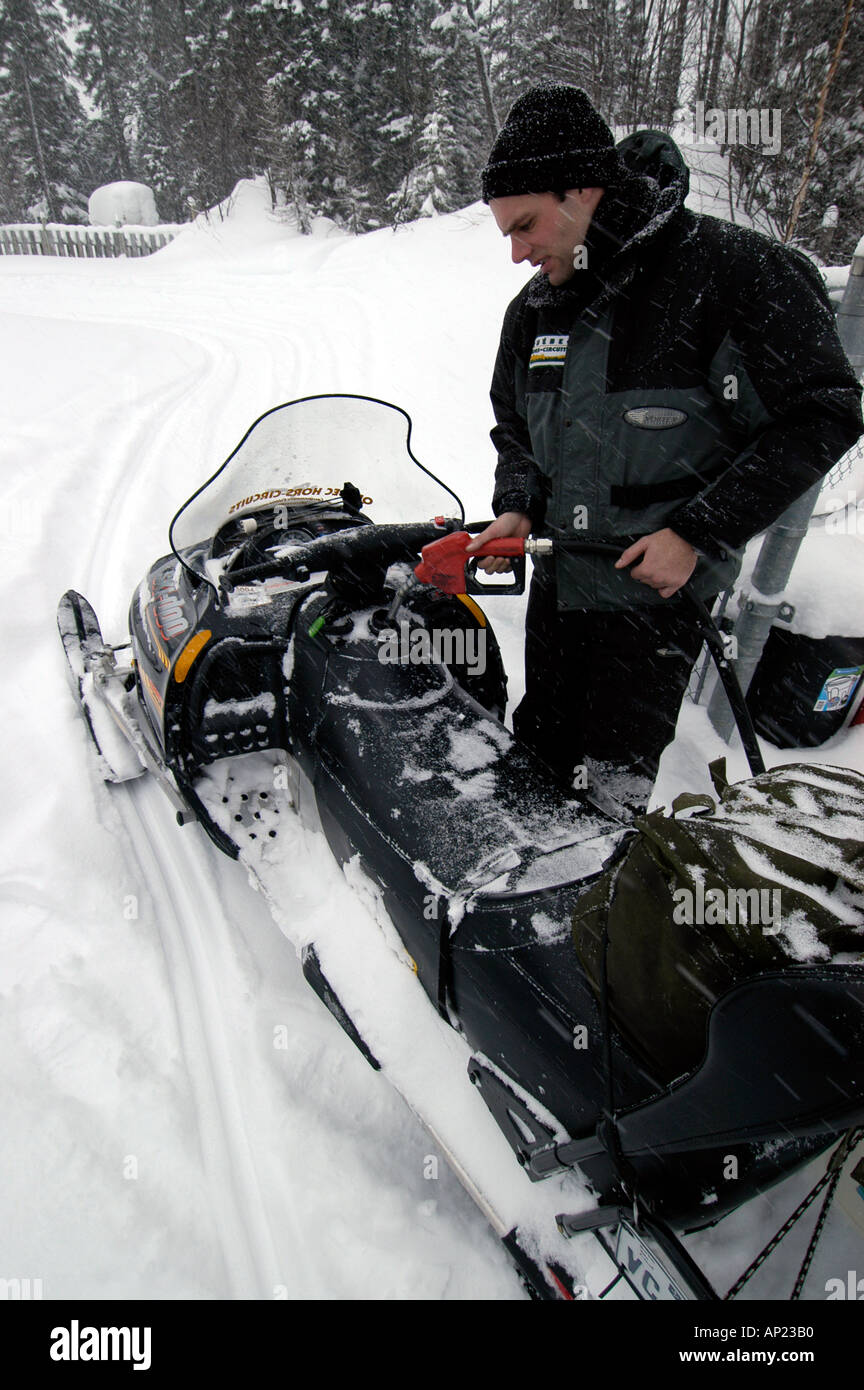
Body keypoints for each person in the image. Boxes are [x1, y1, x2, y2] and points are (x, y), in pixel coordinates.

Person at [466, 84, 863, 815]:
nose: (518, 254)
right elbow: (511, 424)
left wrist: (698, 532)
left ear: (583, 189)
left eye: (525, 226)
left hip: (656, 602)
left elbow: (825, 413)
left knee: (614, 786)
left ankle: (603, 909)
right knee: (540, 753)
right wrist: (518, 505)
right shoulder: (536, 309)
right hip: (561, 586)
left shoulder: (728, 274)